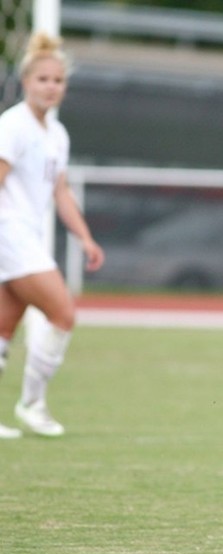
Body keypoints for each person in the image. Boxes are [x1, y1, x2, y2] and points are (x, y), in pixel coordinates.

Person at [0, 32, 105, 439]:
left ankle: (30, 404)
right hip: (9, 234)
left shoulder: (56, 134)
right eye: (43, 79)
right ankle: (32, 403)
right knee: (62, 312)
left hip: (24, 236)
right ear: (26, 81)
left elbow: (59, 191)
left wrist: (85, 237)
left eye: (57, 80)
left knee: (5, 326)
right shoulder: (12, 125)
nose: (50, 87)